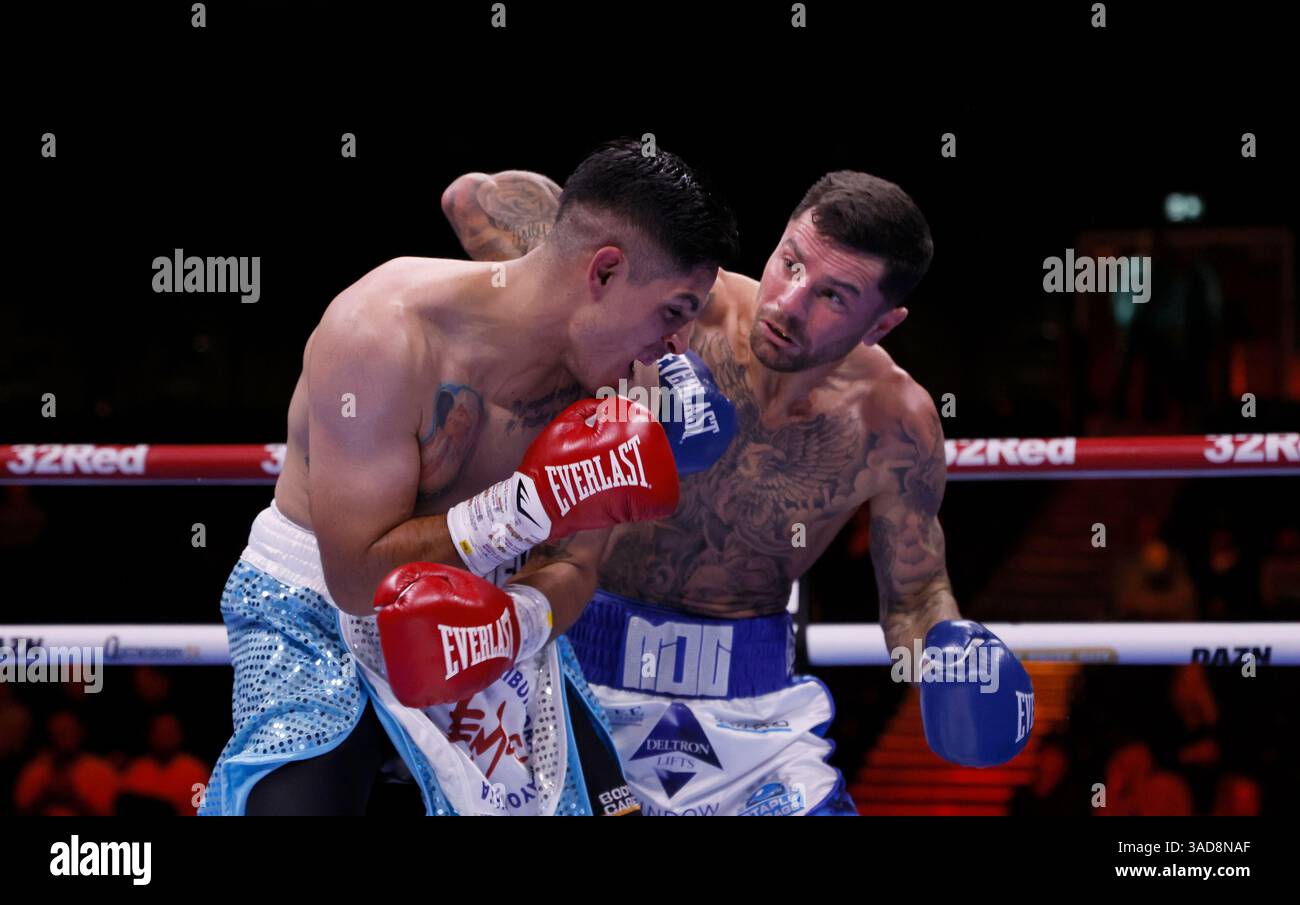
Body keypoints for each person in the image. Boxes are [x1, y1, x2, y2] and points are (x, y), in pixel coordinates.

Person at [442, 166, 1033, 816]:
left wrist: (947, 657)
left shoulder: (894, 420)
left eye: (835, 296)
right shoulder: (680, 305)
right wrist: (653, 346)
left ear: (882, 324)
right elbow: (472, 200)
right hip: (575, 673)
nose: (789, 303)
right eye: (791, 262)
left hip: (753, 717)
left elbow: (916, 594)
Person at [200, 139, 740, 816]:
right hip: (322, 611)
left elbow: (574, 563)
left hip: (499, 613)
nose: (679, 347)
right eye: (674, 311)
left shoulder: (617, 382)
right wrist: (531, 503)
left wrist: (512, 624)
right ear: (603, 272)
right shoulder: (384, 334)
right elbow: (357, 579)